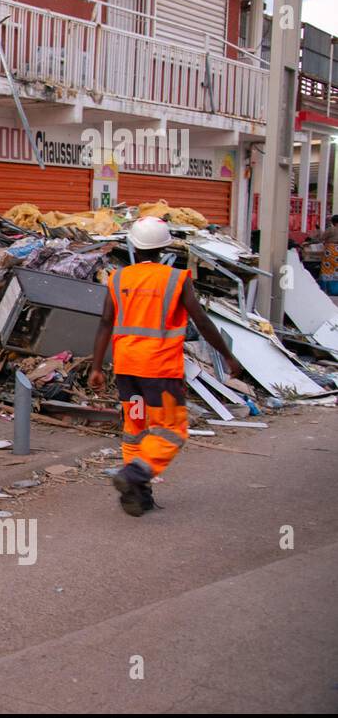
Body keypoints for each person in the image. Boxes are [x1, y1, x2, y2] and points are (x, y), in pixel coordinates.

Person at [88, 216, 242, 517]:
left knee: (135, 430)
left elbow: (106, 322)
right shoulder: (176, 279)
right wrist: (227, 354)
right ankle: (135, 476)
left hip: (127, 370)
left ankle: (138, 494)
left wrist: (96, 367)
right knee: (172, 430)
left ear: (133, 244)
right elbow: (202, 321)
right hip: (160, 372)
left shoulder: (118, 278)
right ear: (164, 247)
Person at [306, 215, 338, 296]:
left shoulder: (331, 229)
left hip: (331, 251)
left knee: (327, 269)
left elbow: (321, 238)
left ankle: (327, 289)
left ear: (334, 222)